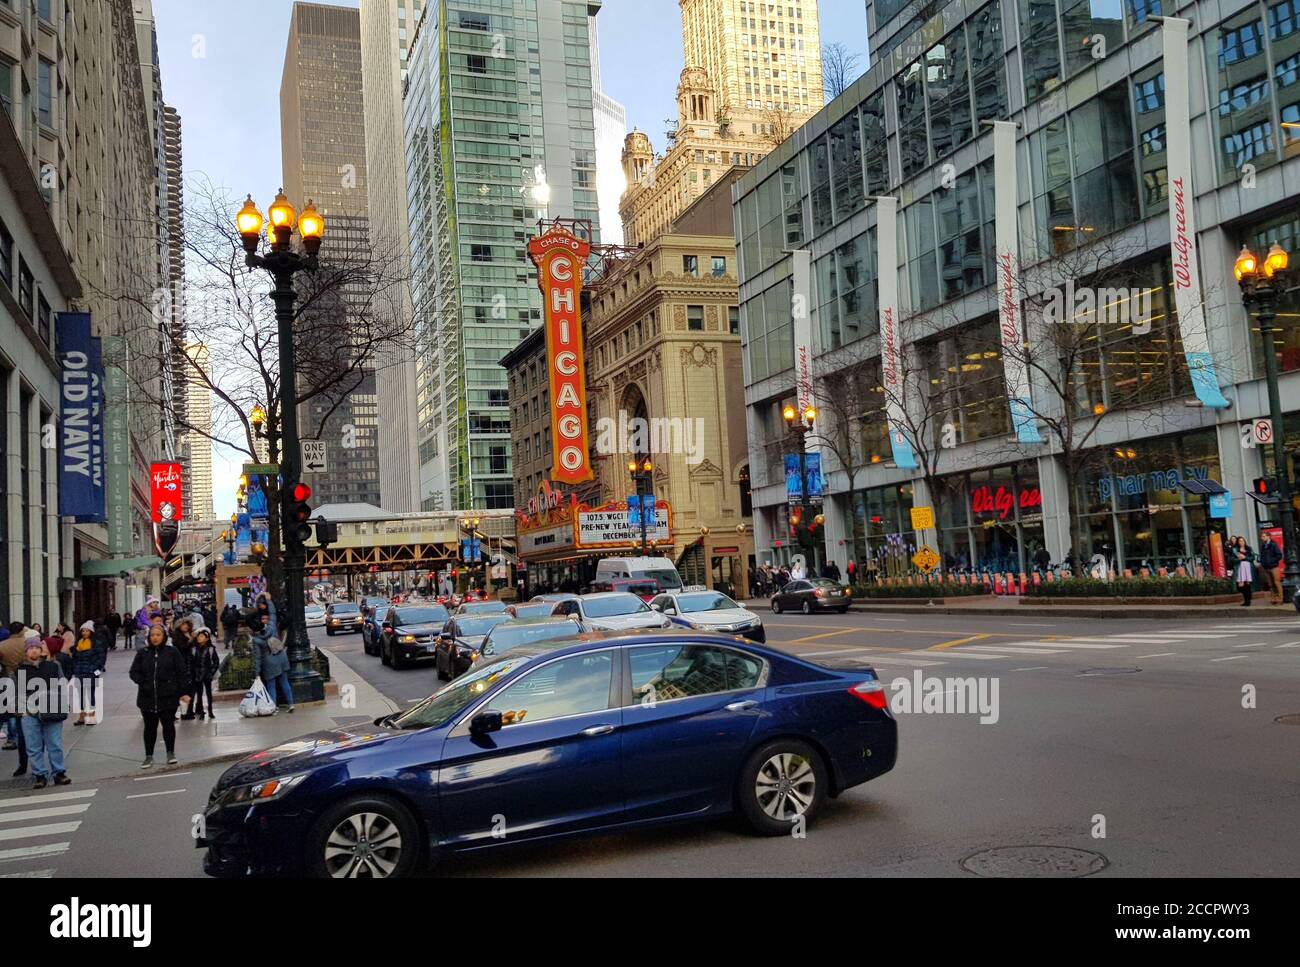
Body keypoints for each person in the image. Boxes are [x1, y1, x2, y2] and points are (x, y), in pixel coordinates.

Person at [128, 624, 188, 768]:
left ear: (164, 636)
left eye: (158, 635)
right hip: (147, 697)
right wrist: (143, 682)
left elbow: (181, 672)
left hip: (168, 696)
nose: (155, 638)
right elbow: (134, 672)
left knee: (168, 725)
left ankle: (170, 752)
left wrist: (183, 692)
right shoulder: (143, 653)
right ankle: (148, 756)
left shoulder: (172, 652)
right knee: (150, 727)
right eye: (153, 635)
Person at [18, 637, 71, 788]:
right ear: (26, 652)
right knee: (33, 746)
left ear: (41, 650)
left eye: (36, 647)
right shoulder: (20, 669)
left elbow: (62, 685)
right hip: (29, 712)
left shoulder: (53, 666)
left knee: (55, 743)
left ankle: (59, 773)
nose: (34, 650)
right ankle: (39, 775)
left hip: (52, 709)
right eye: (30, 648)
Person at [70, 621, 105, 726]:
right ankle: (81, 715)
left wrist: (97, 672)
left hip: (91, 673)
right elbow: (74, 658)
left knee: (91, 695)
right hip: (79, 672)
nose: (84, 633)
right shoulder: (78, 643)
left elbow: (101, 659)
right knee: (79, 695)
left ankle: (92, 716)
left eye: (87, 631)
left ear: (91, 632)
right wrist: (75, 669)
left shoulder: (96, 644)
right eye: (83, 631)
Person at [253, 632, 294, 713]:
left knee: (271, 685)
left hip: (269, 662)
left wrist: (257, 672)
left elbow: (257, 658)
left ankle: (274, 707)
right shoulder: (271, 629)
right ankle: (291, 703)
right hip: (282, 658)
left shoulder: (257, 640)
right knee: (284, 682)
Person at [189, 626, 220, 721]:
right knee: (199, 693)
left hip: (207, 674)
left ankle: (210, 710)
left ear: (206, 639)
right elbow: (190, 661)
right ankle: (201, 711)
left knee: (208, 693)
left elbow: (216, 661)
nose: (199, 638)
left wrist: (212, 671)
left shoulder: (211, 649)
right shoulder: (194, 649)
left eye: (202, 637)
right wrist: (191, 672)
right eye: (199, 636)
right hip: (197, 674)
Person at [1259, 534, 1283, 605]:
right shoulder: (1263, 546)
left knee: (1277, 583)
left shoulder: (1273, 545)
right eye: (1261, 536)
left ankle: (1280, 599)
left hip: (1274, 567)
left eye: (1263, 536)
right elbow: (1262, 556)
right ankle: (1273, 598)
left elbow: (1279, 555)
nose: (1262, 538)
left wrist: (1271, 561)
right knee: (1271, 584)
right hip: (1266, 568)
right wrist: (1263, 563)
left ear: (1268, 537)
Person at [1233, 536, 1256, 607]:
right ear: (1238, 542)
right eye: (1240, 541)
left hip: (1248, 568)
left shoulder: (1249, 548)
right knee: (1240, 585)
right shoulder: (1235, 550)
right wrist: (1239, 559)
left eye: (1243, 541)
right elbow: (1231, 560)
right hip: (1239, 568)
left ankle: (1247, 600)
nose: (1241, 542)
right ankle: (1246, 599)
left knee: (1248, 584)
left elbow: (1252, 558)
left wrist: (1245, 557)